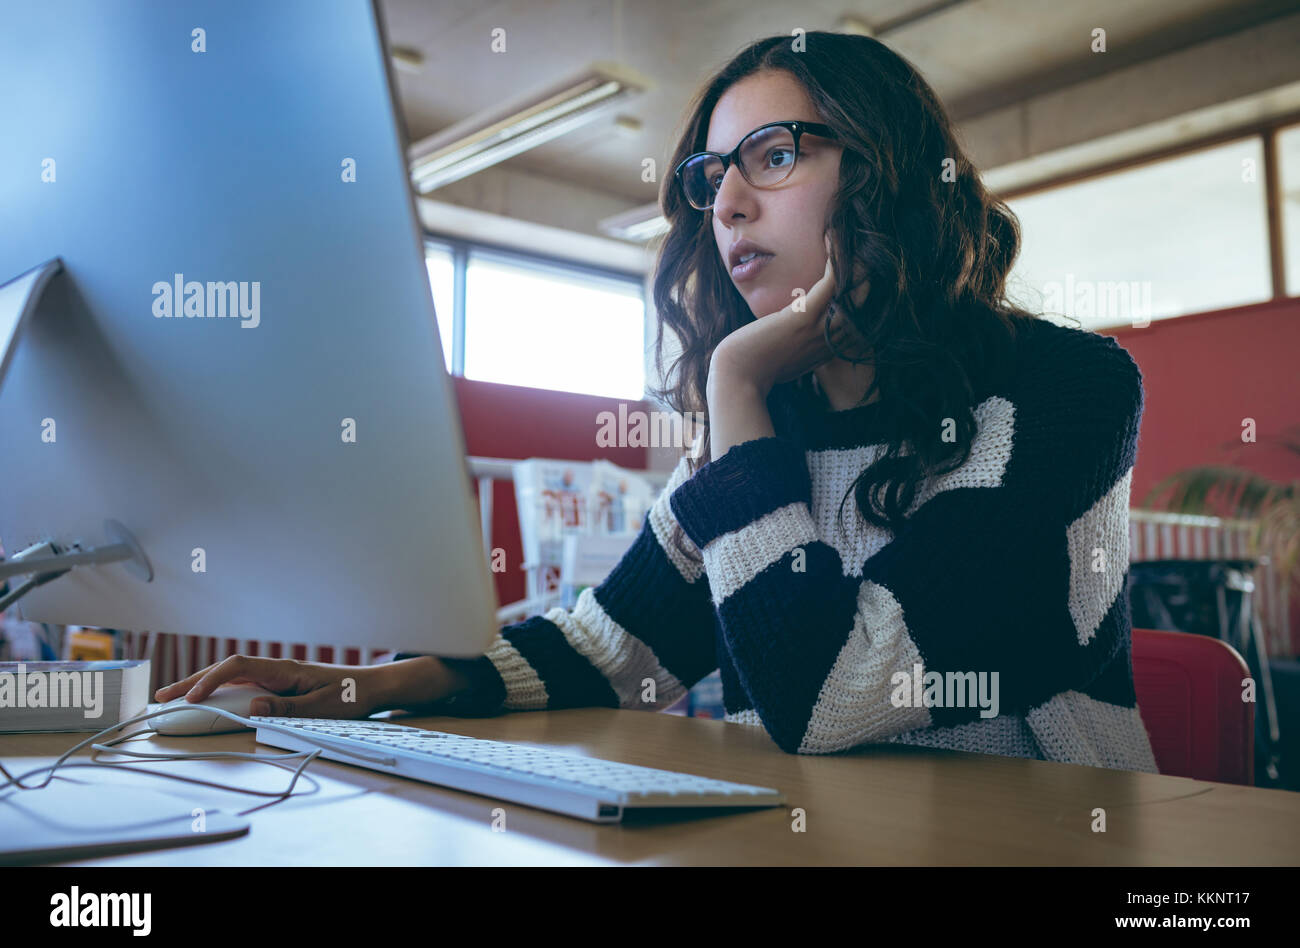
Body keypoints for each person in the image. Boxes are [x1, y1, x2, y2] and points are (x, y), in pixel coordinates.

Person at [157, 31, 1159, 771]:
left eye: (774, 155)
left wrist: (732, 382)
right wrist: (358, 685)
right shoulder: (769, 423)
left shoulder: (1063, 391)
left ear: (883, 169)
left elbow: (830, 695)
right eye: (713, 174)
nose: (725, 204)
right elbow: (613, 648)